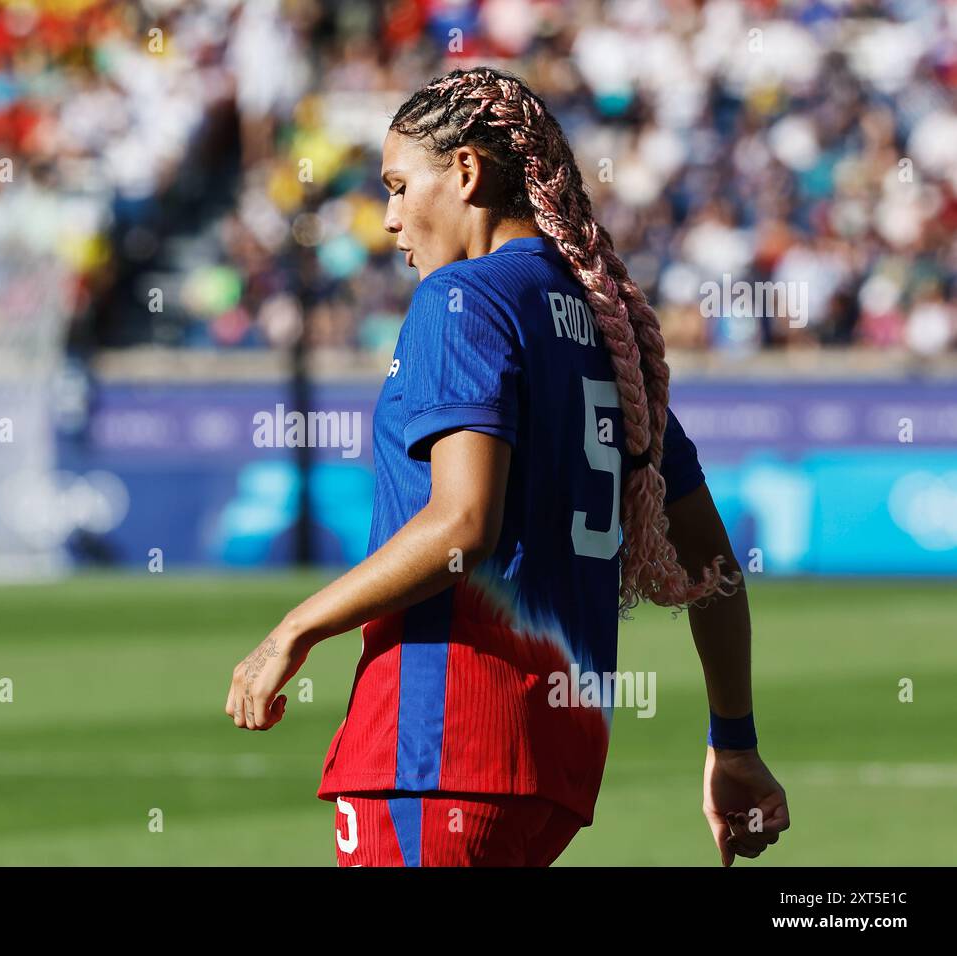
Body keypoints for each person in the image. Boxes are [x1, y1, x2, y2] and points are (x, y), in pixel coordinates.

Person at [225, 66, 790, 867]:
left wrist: (296, 628)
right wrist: (733, 740)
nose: (388, 219)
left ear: (465, 172)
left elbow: (463, 526)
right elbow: (713, 562)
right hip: (553, 763)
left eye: (398, 186)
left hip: (440, 748)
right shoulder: (605, 324)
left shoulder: (463, 298)